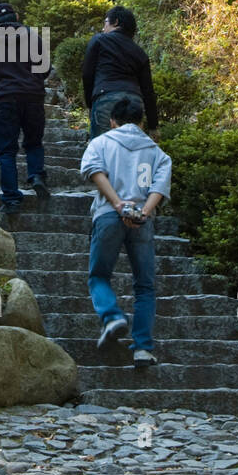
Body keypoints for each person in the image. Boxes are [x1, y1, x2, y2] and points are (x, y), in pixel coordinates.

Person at [80, 94, 172, 366]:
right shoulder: (157, 152)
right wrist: (142, 212)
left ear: (112, 121)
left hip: (109, 215)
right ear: (141, 123)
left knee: (98, 275)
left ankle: (111, 316)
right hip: (142, 220)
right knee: (144, 286)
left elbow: (94, 171)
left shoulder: (101, 142)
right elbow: (159, 187)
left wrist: (118, 204)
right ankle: (142, 348)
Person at [0, 2, 51, 227]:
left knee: (6, 150)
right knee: (33, 142)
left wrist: (4, 80)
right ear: (17, 15)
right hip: (33, 96)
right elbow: (46, 66)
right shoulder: (32, 35)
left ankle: (11, 199)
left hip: (7, 98)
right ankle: (36, 176)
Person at [82, 6, 159, 140]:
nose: (103, 28)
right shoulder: (140, 52)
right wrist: (153, 126)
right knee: (130, 151)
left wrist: (91, 103)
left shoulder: (100, 40)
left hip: (106, 98)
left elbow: (87, 74)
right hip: (134, 102)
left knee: (102, 150)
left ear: (115, 22)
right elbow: (148, 91)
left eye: (105, 22)